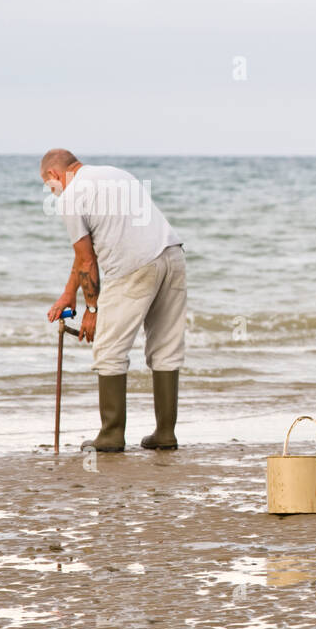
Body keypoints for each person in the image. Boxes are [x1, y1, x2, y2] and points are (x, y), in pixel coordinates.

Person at [41, 149, 187, 452]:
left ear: (54, 175)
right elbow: (86, 256)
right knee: (165, 346)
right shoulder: (115, 174)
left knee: (108, 349)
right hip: (172, 255)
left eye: (48, 185)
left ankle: (111, 435)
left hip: (133, 267)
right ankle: (165, 434)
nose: (51, 192)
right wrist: (70, 294)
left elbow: (86, 261)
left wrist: (92, 311)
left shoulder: (70, 197)